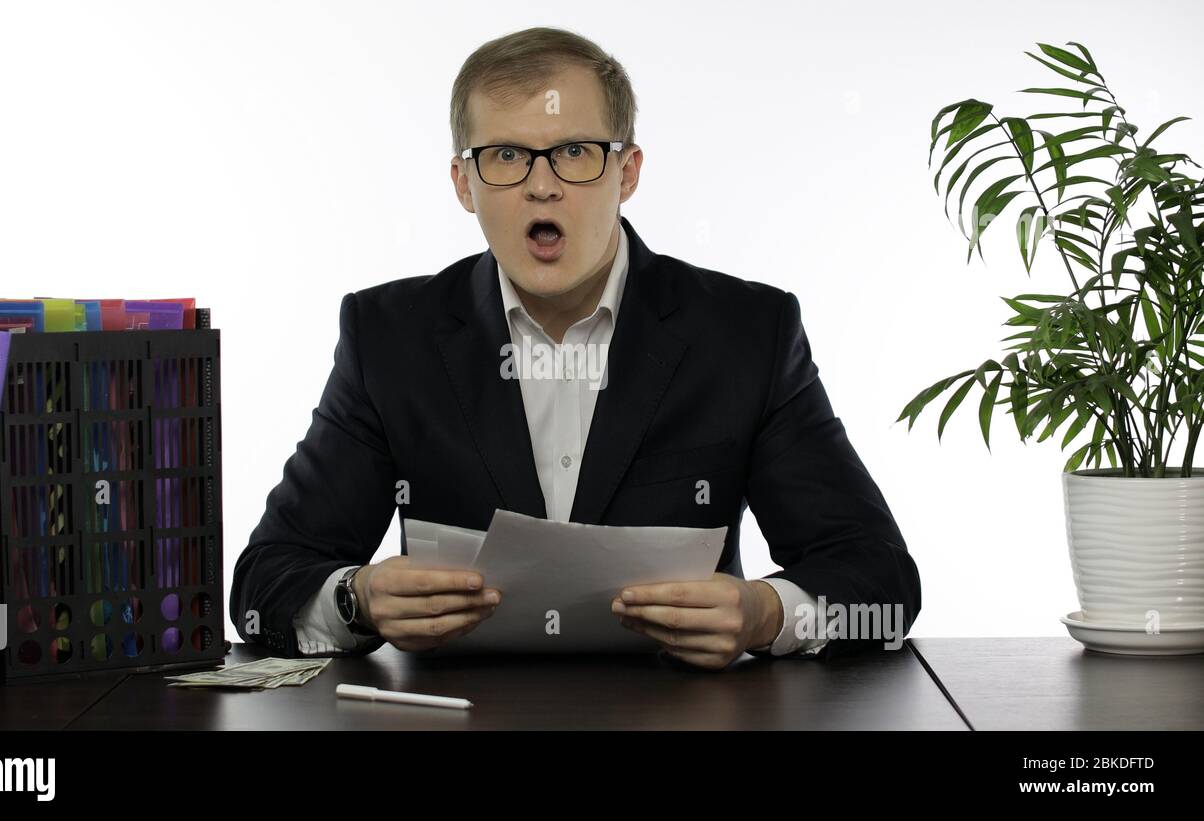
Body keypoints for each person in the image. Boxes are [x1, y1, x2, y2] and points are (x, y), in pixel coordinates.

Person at [229, 26, 919, 670]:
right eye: (505, 155)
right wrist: (359, 597)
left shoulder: (746, 332)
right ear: (463, 184)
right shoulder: (389, 337)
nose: (541, 183)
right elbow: (263, 586)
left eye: (574, 152)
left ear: (628, 172)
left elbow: (879, 576)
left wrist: (765, 614)